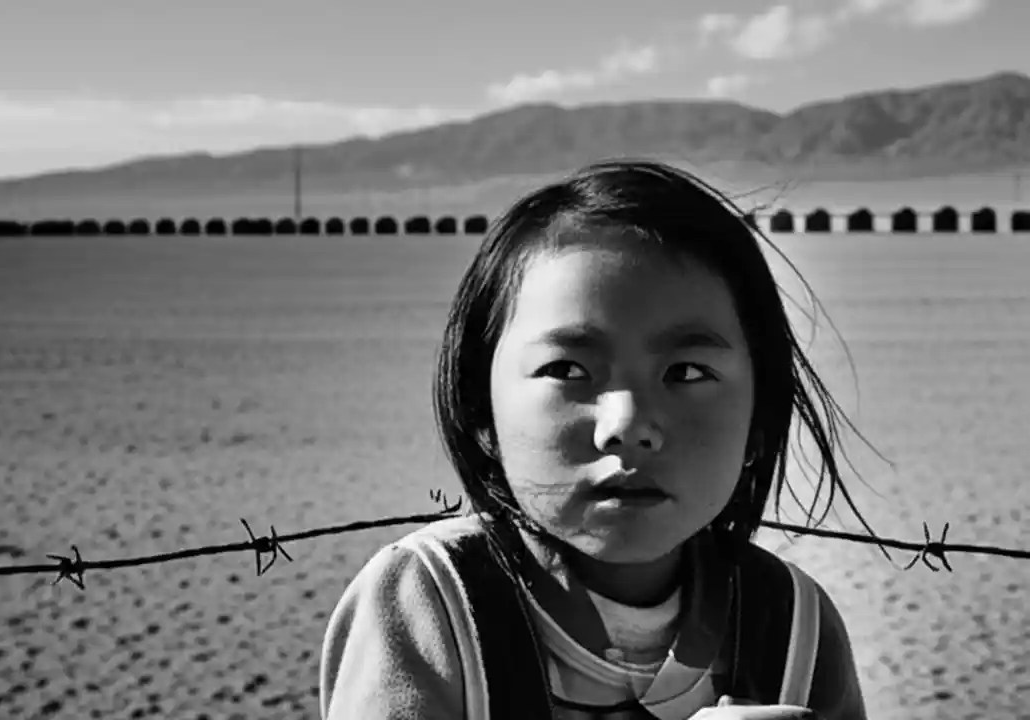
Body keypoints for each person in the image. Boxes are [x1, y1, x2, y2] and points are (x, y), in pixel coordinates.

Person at [318, 159, 877, 719]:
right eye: (566, 370)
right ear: (479, 409)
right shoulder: (432, 603)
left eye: (686, 373)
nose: (628, 425)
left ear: (759, 421)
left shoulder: (791, 626)